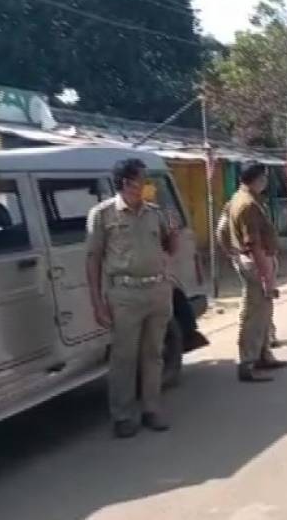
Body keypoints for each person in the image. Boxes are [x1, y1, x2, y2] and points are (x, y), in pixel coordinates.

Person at [86, 158, 177, 438]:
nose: (147, 185)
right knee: (124, 357)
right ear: (127, 183)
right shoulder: (103, 215)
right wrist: (97, 303)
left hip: (157, 290)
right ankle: (123, 415)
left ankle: (151, 408)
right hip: (124, 294)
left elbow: (169, 249)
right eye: (143, 179)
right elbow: (93, 259)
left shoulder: (154, 213)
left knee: (153, 354)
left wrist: (172, 230)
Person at [225, 163, 287, 383]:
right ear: (257, 179)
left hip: (251, 260)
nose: (266, 182)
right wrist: (266, 276)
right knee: (254, 314)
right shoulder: (248, 204)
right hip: (256, 262)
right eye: (264, 178)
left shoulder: (238, 199)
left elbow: (221, 231)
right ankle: (248, 362)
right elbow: (253, 245)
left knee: (263, 312)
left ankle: (263, 355)